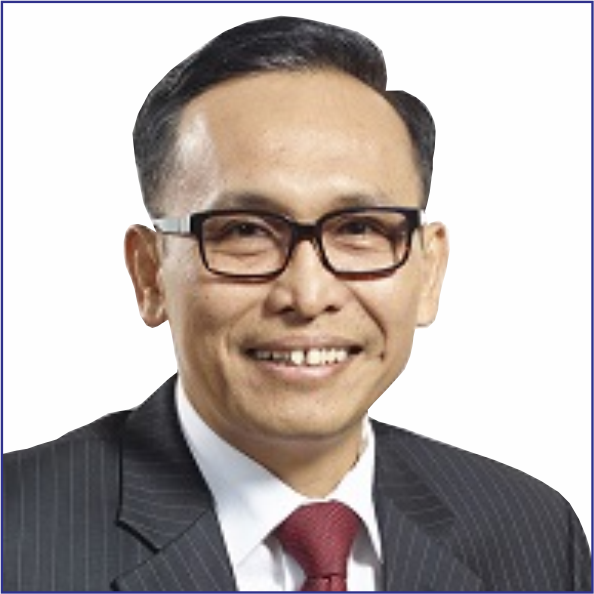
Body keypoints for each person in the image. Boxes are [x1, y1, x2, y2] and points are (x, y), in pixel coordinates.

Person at [3, 16, 590, 593]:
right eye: (244, 231)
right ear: (150, 274)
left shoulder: (533, 534)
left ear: (429, 270)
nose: (308, 296)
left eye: (360, 228)